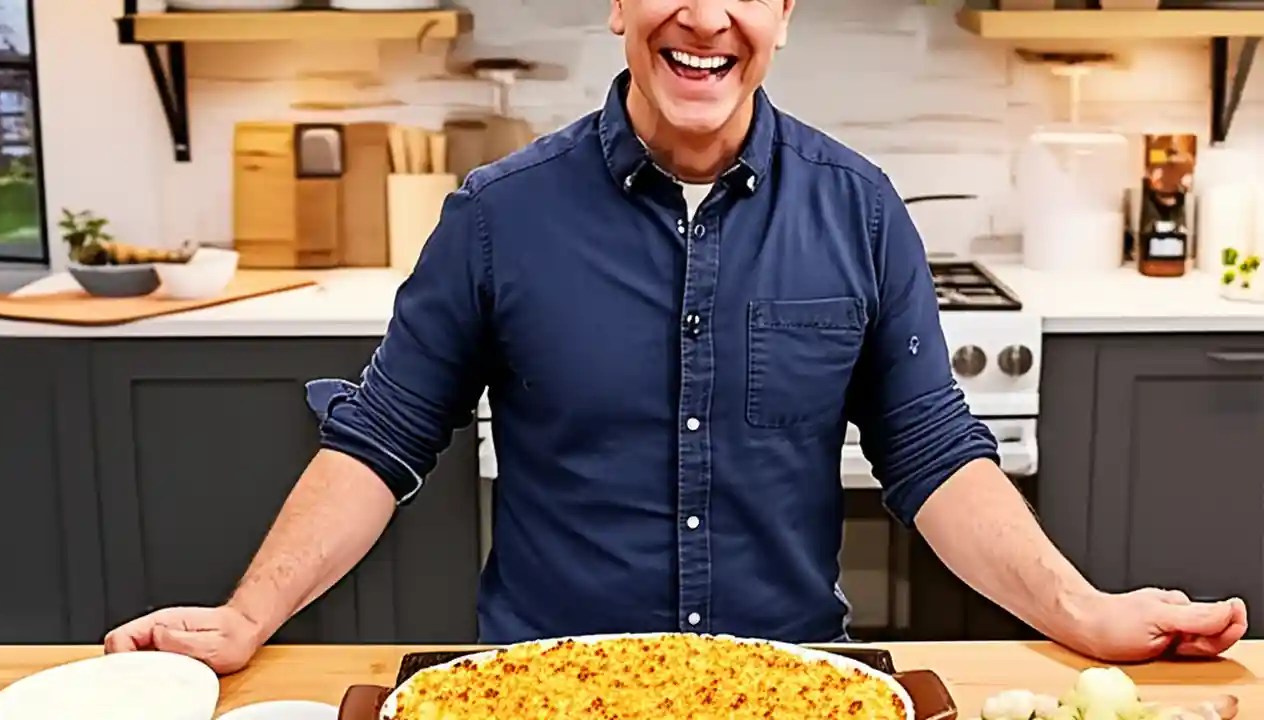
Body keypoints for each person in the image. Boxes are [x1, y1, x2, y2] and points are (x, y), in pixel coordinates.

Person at [104, 0, 1247, 674]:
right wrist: (247, 616)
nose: (703, 18)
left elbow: (933, 454)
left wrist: (1083, 612)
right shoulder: (496, 217)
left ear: (784, 13)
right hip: (548, 689)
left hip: (786, 685)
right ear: (615, 4)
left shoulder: (858, 211)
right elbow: (381, 440)